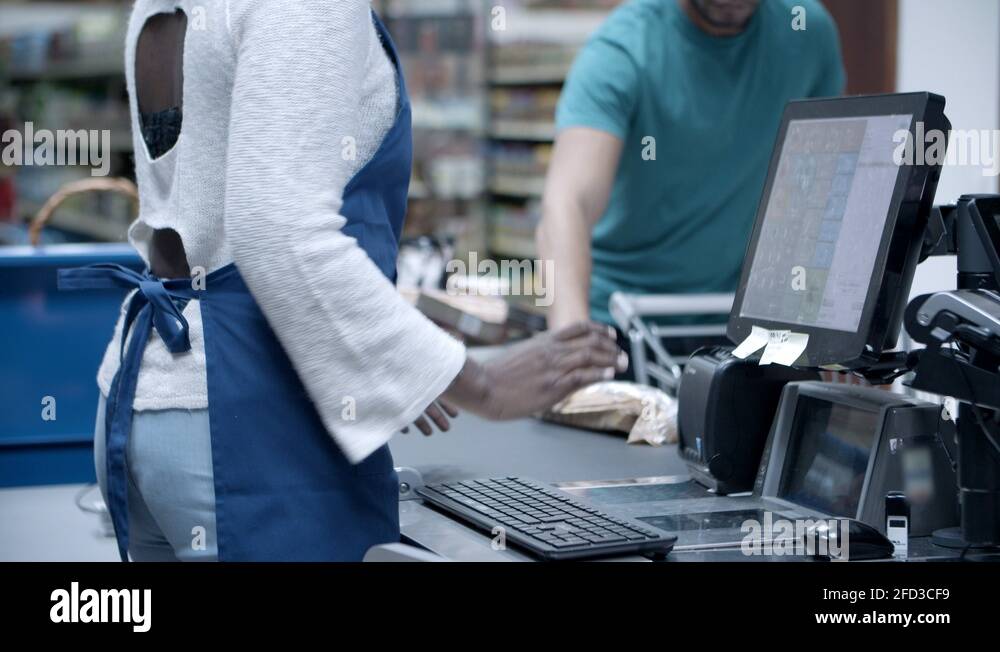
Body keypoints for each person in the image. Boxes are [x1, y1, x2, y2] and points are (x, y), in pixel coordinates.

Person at [61, 0, 624, 562]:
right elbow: (277, 230)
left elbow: (215, 221)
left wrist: (386, 356)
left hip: (149, 404)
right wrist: (483, 385)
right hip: (251, 422)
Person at [536, 0, 846, 373]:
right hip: (618, 327)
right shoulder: (623, 49)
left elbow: (826, 182)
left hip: (738, 324)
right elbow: (568, 203)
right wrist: (573, 347)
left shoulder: (807, 34)